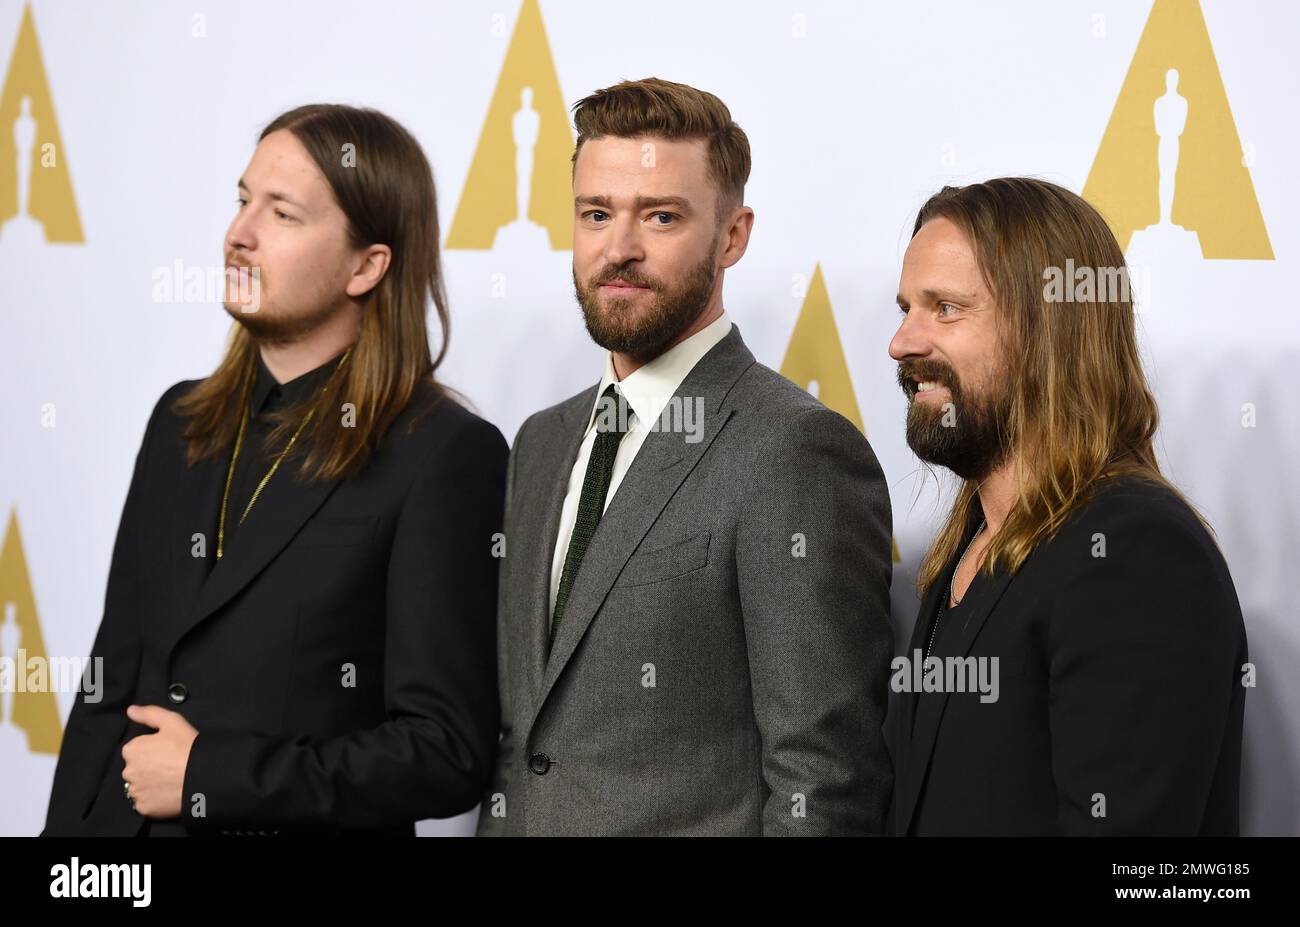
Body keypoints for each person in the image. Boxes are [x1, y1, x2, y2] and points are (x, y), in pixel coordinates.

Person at [43, 104, 505, 836]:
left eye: (282, 213)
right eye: (241, 200)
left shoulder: (443, 454)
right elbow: (111, 684)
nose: (239, 234)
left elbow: (444, 749)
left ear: (367, 265)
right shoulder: (178, 422)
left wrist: (211, 776)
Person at [477, 78, 894, 836]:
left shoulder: (795, 448)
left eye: (661, 216)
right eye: (596, 214)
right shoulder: (541, 441)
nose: (619, 248)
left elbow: (824, 778)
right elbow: (528, 746)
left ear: (732, 235)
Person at [888, 177, 1247, 835]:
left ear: (1046, 330)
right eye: (906, 307)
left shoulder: (1136, 553)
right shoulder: (968, 544)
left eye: (945, 308)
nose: (902, 343)